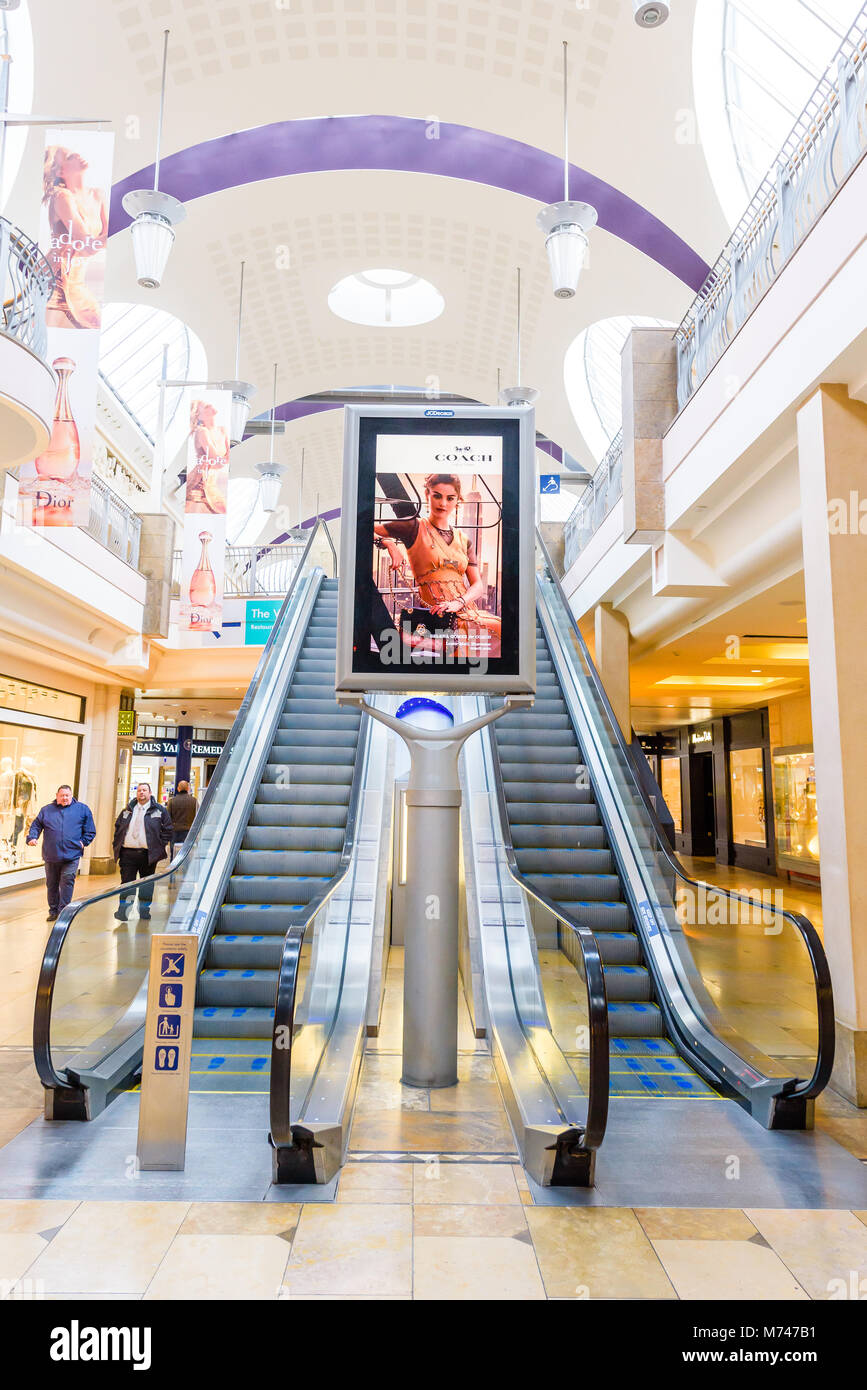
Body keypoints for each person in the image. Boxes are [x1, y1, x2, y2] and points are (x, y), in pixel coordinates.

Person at [373, 472, 502, 658]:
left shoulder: (464, 539)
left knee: (502, 629)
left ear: (458, 500)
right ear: (427, 495)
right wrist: (388, 544)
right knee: (495, 632)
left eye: (450, 498)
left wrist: (459, 602)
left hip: (465, 609)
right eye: (437, 496)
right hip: (437, 615)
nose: (443, 504)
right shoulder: (413, 527)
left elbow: (478, 585)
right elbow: (362, 526)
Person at [42, 145, 109, 330]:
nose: (79, 153)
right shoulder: (61, 197)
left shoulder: (98, 194)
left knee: (93, 324)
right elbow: (87, 246)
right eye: (71, 156)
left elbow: (109, 236)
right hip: (55, 283)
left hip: (77, 283)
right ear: (61, 171)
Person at [26, 785, 96, 922]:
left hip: (72, 855)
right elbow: (36, 825)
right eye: (62, 795)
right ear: (57, 796)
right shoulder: (46, 810)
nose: (64, 798)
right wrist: (32, 837)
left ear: (71, 796)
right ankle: (53, 911)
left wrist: (83, 842)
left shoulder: (82, 809)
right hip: (51, 855)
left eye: (67, 795)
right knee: (52, 884)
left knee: (67, 882)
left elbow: (90, 830)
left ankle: (63, 912)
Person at [112, 782, 172, 923]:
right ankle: (124, 912)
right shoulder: (127, 811)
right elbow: (118, 828)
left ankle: (144, 911)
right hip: (128, 854)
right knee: (127, 884)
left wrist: (159, 845)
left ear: (150, 793)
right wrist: (117, 843)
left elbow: (168, 830)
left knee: (147, 885)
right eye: (139, 790)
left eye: (144, 790)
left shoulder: (159, 810)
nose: (141, 793)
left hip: (148, 855)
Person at [167, 779, 198, 853]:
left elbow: (168, 817)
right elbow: (197, 816)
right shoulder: (194, 801)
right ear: (188, 788)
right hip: (189, 831)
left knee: (174, 854)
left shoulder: (172, 801)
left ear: (178, 788)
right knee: (187, 854)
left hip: (175, 831)